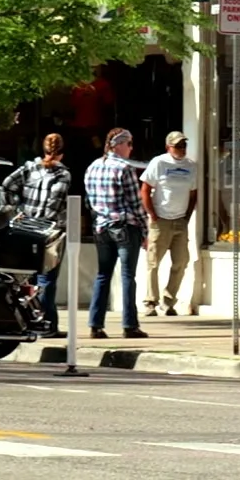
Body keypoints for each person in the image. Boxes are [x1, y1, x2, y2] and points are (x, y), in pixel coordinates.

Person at [80, 127, 147, 339]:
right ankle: (129, 325)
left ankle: (96, 324)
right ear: (118, 145)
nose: (131, 148)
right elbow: (136, 204)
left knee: (103, 275)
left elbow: (88, 202)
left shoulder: (92, 167)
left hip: (101, 227)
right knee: (128, 276)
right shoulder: (124, 168)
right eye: (129, 144)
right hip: (124, 226)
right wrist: (144, 230)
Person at [0, 133, 73, 322]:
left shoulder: (29, 168)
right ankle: (46, 321)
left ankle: (29, 319)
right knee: (47, 279)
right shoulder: (63, 174)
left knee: (27, 277)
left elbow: (7, 185)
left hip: (25, 229)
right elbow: (54, 205)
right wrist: (44, 222)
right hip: (49, 233)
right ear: (62, 153)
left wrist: (15, 212)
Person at [139, 130, 198, 318]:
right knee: (154, 262)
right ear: (168, 147)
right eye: (177, 146)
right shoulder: (159, 162)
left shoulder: (191, 166)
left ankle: (168, 300)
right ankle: (150, 301)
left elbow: (193, 193)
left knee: (181, 261)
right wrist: (153, 215)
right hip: (161, 219)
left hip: (180, 220)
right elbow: (145, 189)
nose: (181, 149)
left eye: (183, 145)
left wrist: (187, 216)